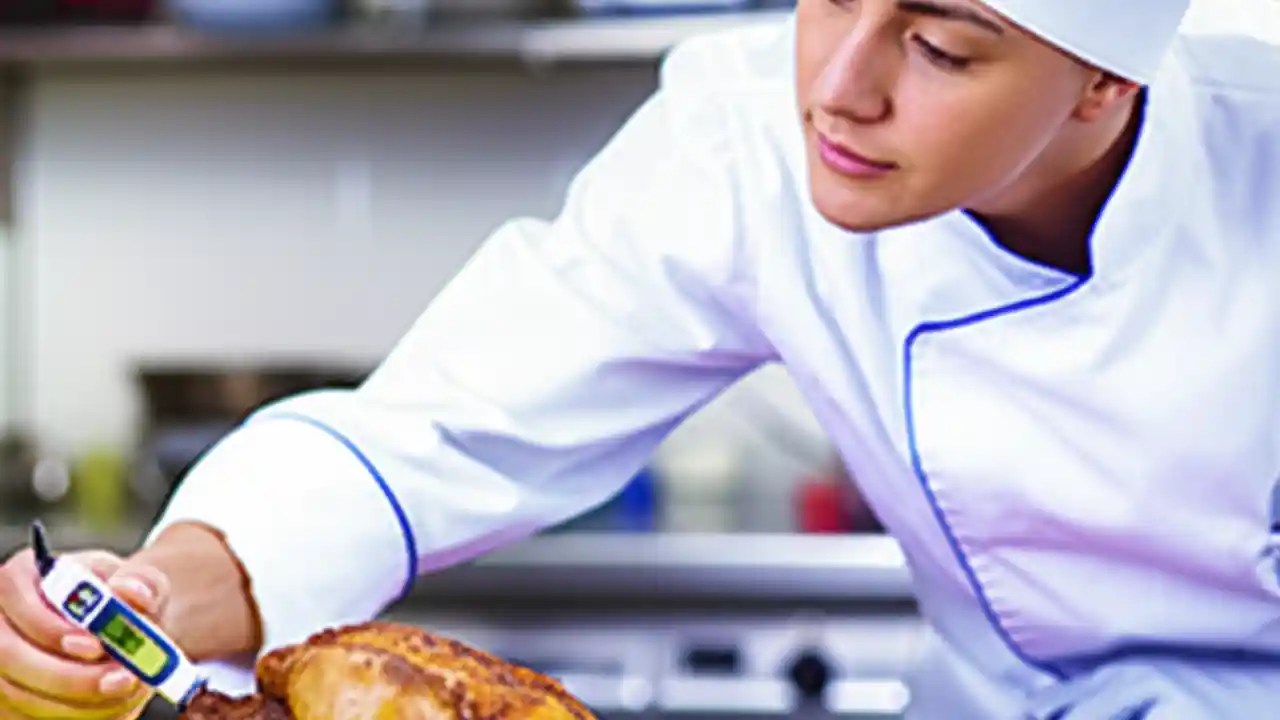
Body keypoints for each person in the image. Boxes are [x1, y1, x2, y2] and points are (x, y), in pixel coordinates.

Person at [3, 0, 1280, 717]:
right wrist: (160, 592)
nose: (836, 87)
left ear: (1105, 86)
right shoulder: (740, 143)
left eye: (938, 47)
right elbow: (438, 431)